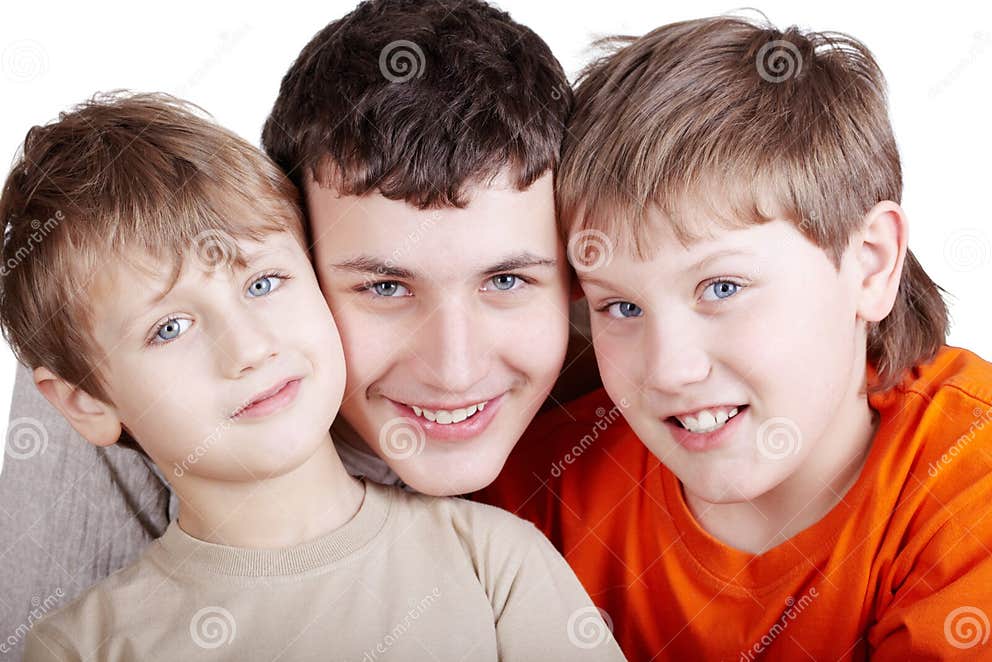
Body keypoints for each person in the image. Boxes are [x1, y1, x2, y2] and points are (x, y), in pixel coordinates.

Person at [0, 2, 598, 656]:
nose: (454, 369)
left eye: (507, 281)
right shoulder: (102, 357)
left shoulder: (638, 358)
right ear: (307, 248)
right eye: (385, 287)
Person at [477, 15, 992, 660]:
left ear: (871, 263)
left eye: (722, 288)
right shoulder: (538, 488)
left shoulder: (970, 483)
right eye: (621, 305)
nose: (669, 370)